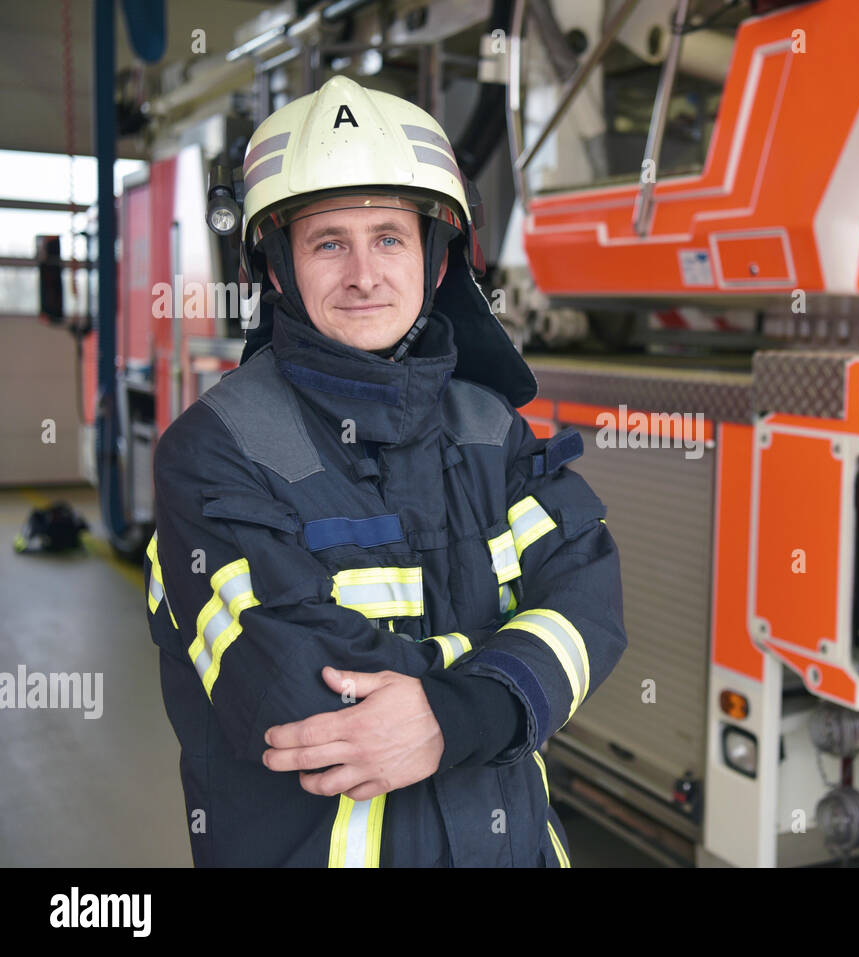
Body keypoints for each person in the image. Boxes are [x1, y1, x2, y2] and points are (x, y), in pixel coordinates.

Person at [144, 75, 627, 866]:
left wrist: (453, 712)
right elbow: (303, 701)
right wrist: (501, 679)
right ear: (278, 270)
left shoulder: (491, 428)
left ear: (435, 262)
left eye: (390, 238)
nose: (365, 274)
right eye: (329, 242)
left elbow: (590, 601)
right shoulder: (216, 451)